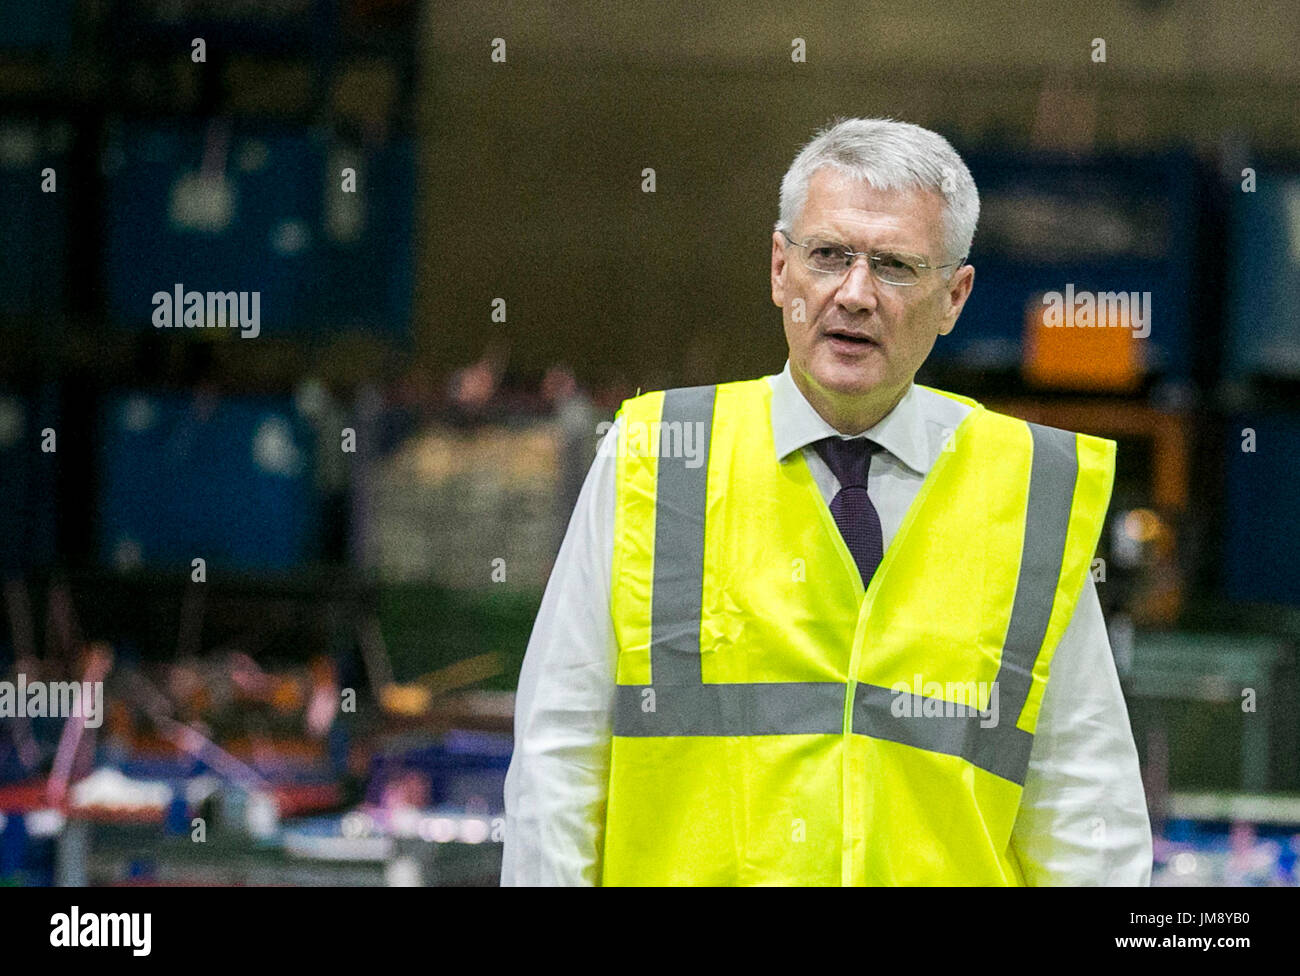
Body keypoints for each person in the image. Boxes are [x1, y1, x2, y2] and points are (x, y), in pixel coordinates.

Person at [501, 117, 1152, 886]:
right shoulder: (654, 458)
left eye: (896, 267)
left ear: (955, 296)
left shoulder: (1027, 490)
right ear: (780, 268)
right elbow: (559, 761)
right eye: (829, 255)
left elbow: (1086, 809)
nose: (854, 294)